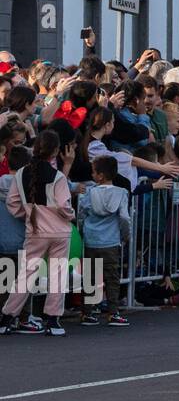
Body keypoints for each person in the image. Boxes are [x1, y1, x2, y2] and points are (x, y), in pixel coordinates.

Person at [0, 131, 74, 336]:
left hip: (35, 230)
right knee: (57, 275)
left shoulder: (22, 173)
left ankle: (7, 317)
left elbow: (12, 203)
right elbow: (63, 205)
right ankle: (53, 320)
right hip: (59, 231)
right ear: (56, 152)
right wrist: (71, 215)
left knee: (26, 275)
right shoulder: (57, 176)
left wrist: (27, 214)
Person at [76, 155, 131, 326]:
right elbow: (124, 217)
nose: (92, 175)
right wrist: (125, 235)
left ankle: (88, 312)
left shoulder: (91, 192)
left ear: (100, 175)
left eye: (93, 172)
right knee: (112, 278)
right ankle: (113, 312)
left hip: (91, 240)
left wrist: (81, 229)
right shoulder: (121, 193)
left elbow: (81, 213)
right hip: (111, 241)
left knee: (90, 277)